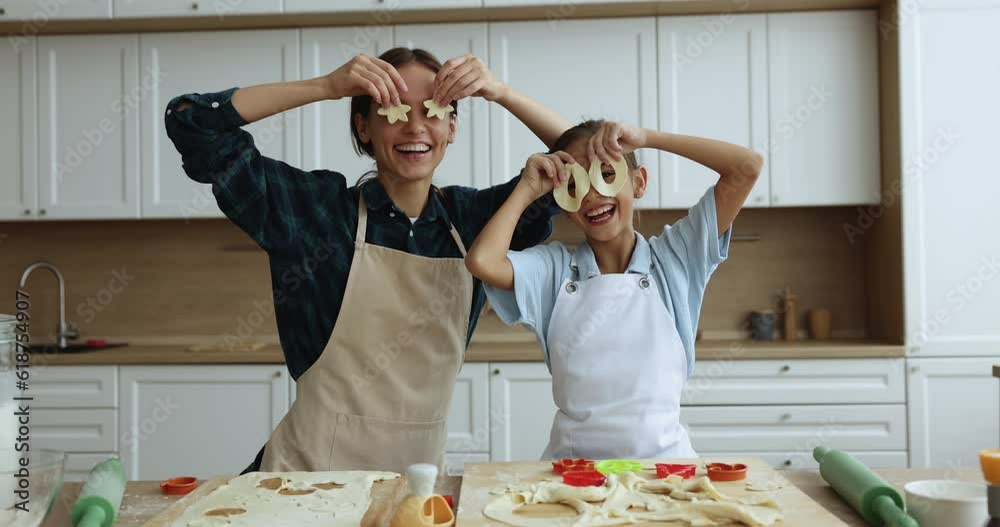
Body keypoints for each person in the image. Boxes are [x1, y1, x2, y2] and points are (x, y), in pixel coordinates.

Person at [165, 48, 571, 473]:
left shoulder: (477, 224)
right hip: (303, 482)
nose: (415, 126)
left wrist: (500, 92)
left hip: (413, 485)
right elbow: (190, 120)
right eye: (393, 110)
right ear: (363, 127)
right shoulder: (315, 213)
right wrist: (325, 87)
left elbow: (589, 161)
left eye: (432, 111)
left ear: (452, 127)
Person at [465, 120, 762, 459]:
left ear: (638, 182)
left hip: (665, 471)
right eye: (576, 184)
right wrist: (527, 189)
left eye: (607, 174)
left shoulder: (677, 258)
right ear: (563, 201)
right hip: (572, 474)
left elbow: (747, 166)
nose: (593, 194)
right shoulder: (554, 270)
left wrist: (649, 138)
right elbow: (483, 261)